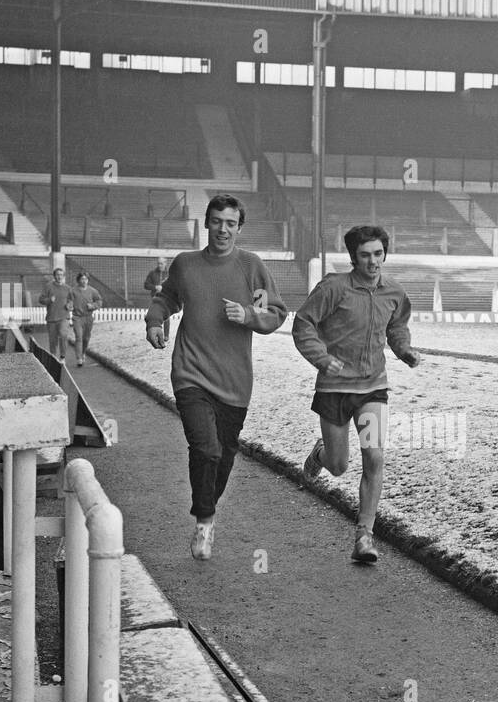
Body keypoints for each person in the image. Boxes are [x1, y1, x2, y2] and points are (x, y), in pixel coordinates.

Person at [145, 194, 287, 560]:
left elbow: (276, 313)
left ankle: (208, 510)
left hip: (235, 380)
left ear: (239, 228)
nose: (222, 229)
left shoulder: (252, 266)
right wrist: (154, 320)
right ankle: (204, 520)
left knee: (224, 454)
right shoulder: (185, 264)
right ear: (205, 224)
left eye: (230, 223)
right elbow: (167, 298)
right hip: (190, 371)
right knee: (205, 448)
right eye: (216, 221)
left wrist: (250, 316)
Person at [292, 224, 420, 564]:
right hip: (334, 388)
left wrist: (403, 351)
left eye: (378, 254)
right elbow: (303, 323)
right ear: (353, 257)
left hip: (373, 388)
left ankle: (364, 536)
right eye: (365, 255)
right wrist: (322, 358)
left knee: (375, 457)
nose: (373, 261)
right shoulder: (334, 288)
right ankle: (322, 454)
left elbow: (397, 326)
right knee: (338, 466)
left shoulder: (394, 291)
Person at [38, 265, 74, 363]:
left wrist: (69, 305)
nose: (59, 276)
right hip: (51, 317)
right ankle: (53, 357)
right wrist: (49, 300)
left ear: (64, 276)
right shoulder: (48, 286)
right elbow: (41, 299)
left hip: (64, 317)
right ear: (54, 276)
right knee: (53, 340)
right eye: (57, 275)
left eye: (61, 275)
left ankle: (62, 357)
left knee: (63, 335)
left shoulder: (68, 288)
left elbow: (71, 301)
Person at [70, 271, 103, 367]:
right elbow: (68, 300)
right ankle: (79, 358)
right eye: (82, 279)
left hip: (88, 317)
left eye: (86, 279)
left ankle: (83, 352)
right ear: (78, 280)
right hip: (77, 317)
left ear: (88, 280)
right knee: (79, 337)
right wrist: (69, 305)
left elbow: (99, 301)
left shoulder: (92, 291)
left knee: (86, 338)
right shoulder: (72, 291)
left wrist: (93, 305)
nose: (84, 281)